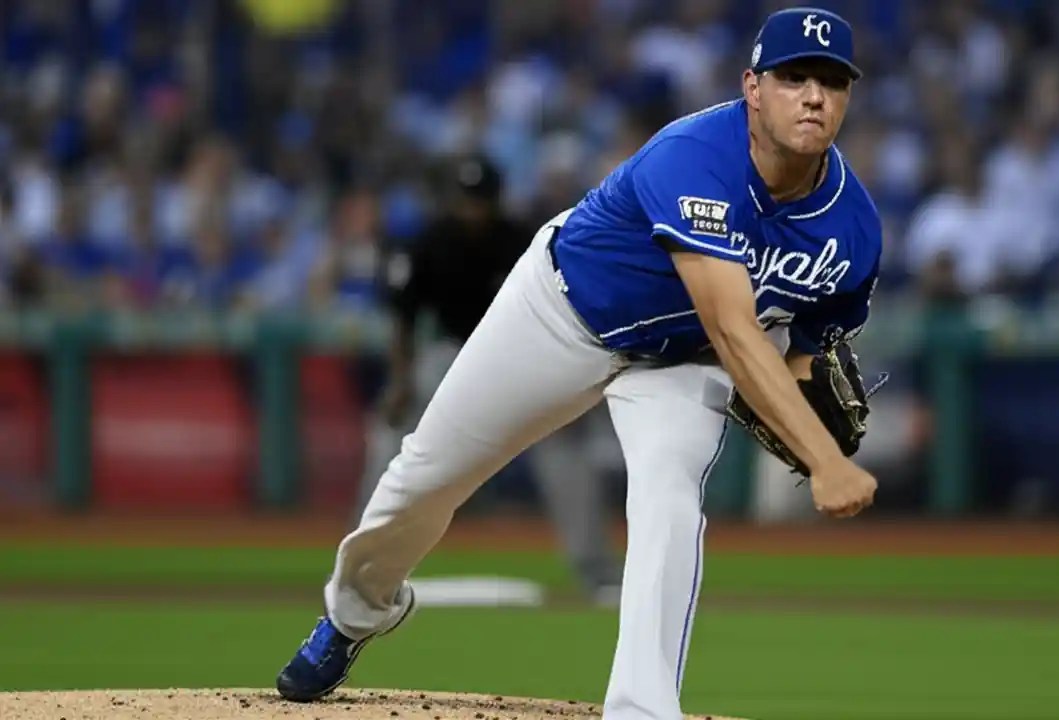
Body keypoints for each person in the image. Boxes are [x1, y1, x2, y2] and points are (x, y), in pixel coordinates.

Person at [277, 7, 882, 718]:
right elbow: (734, 326)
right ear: (752, 87)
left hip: (681, 365)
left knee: (669, 497)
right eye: (794, 77)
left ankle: (641, 709)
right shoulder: (695, 156)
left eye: (832, 82)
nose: (814, 95)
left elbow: (809, 350)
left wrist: (810, 406)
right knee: (427, 475)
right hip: (564, 312)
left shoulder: (855, 228)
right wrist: (826, 462)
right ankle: (354, 612)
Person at [361, 153, 623, 601]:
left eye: (481, 201)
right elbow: (403, 320)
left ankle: (596, 570)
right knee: (390, 435)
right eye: (467, 200)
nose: (473, 211)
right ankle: (362, 569)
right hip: (447, 353)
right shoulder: (430, 240)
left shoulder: (522, 238)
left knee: (566, 446)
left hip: (520, 352)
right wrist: (401, 383)